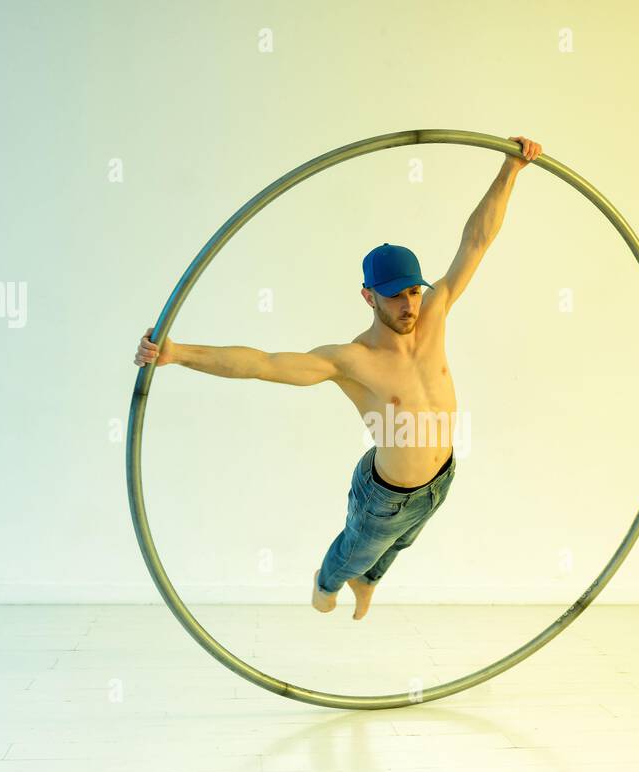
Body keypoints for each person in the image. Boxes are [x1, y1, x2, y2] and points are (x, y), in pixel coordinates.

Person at [134, 135, 544, 619]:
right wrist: (178, 353)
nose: (409, 305)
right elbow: (264, 364)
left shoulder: (435, 312)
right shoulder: (351, 360)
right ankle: (327, 582)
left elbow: (476, 241)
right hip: (385, 497)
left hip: (442, 477)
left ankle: (366, 583)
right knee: (357, 550)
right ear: (369, 297)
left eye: (413, 291)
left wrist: (510, 169)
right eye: (395, 296)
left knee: (402, 544)